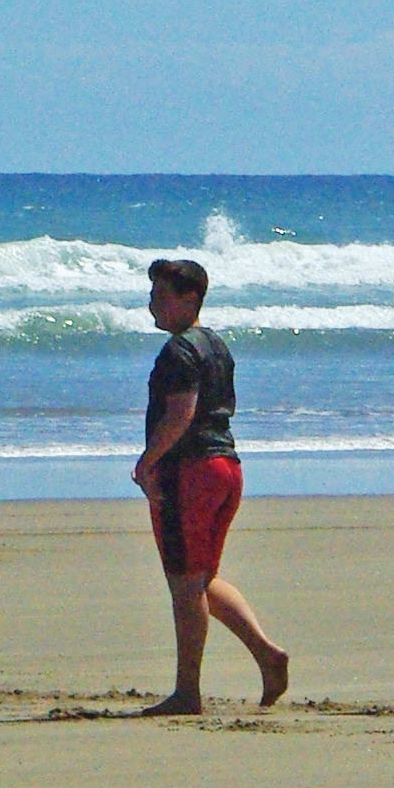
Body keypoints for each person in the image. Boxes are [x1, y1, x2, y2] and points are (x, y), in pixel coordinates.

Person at [130, 256, 290, 715]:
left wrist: (147, 462)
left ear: (190, 299)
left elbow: (181, 412)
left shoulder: (179, 350)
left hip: (191, 471)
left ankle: (187, 692)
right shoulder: (217, 346)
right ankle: (267, 654)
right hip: (226, 467)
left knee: (184, 583)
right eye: (152, 296)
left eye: (161, 297)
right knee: (201, 579)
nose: (152, 307)